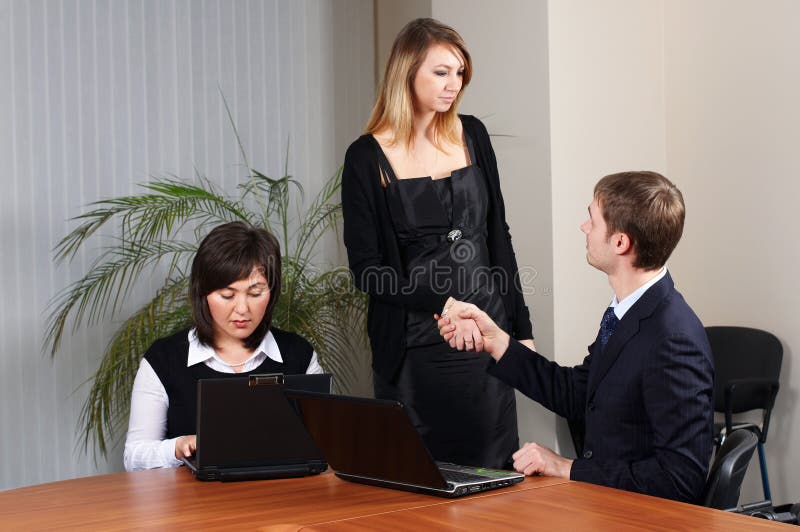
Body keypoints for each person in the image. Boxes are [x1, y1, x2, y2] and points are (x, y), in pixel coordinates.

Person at [438, 171, 714, 503]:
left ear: (620, 242)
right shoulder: (628, 311)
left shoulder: (673, 338)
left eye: (592, 220)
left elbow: (679, 480)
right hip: (605, 507)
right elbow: (578, 394)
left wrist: (566, 467)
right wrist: (496, 341)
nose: (584, 228)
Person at [341, 18, 534, 469]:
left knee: (493, 479)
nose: (454, 85)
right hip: (415, 348)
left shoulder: (473, 135)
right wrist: (445, 303)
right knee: (419, 479)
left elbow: (497, 236)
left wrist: (520, 329)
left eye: (460, 73)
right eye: (441, 72)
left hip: (487, 337)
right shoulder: (366, 157)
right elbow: (367, 270)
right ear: (406, 72)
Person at [123, 221, 323, 471]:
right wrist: (176, 447)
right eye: (227, 295)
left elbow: (325, 445)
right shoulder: (164, 360)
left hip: (280, 501)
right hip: (193, 507)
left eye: (255, 293)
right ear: (203, 293)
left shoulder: (299, 355)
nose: (242, 309)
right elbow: (134, 457)